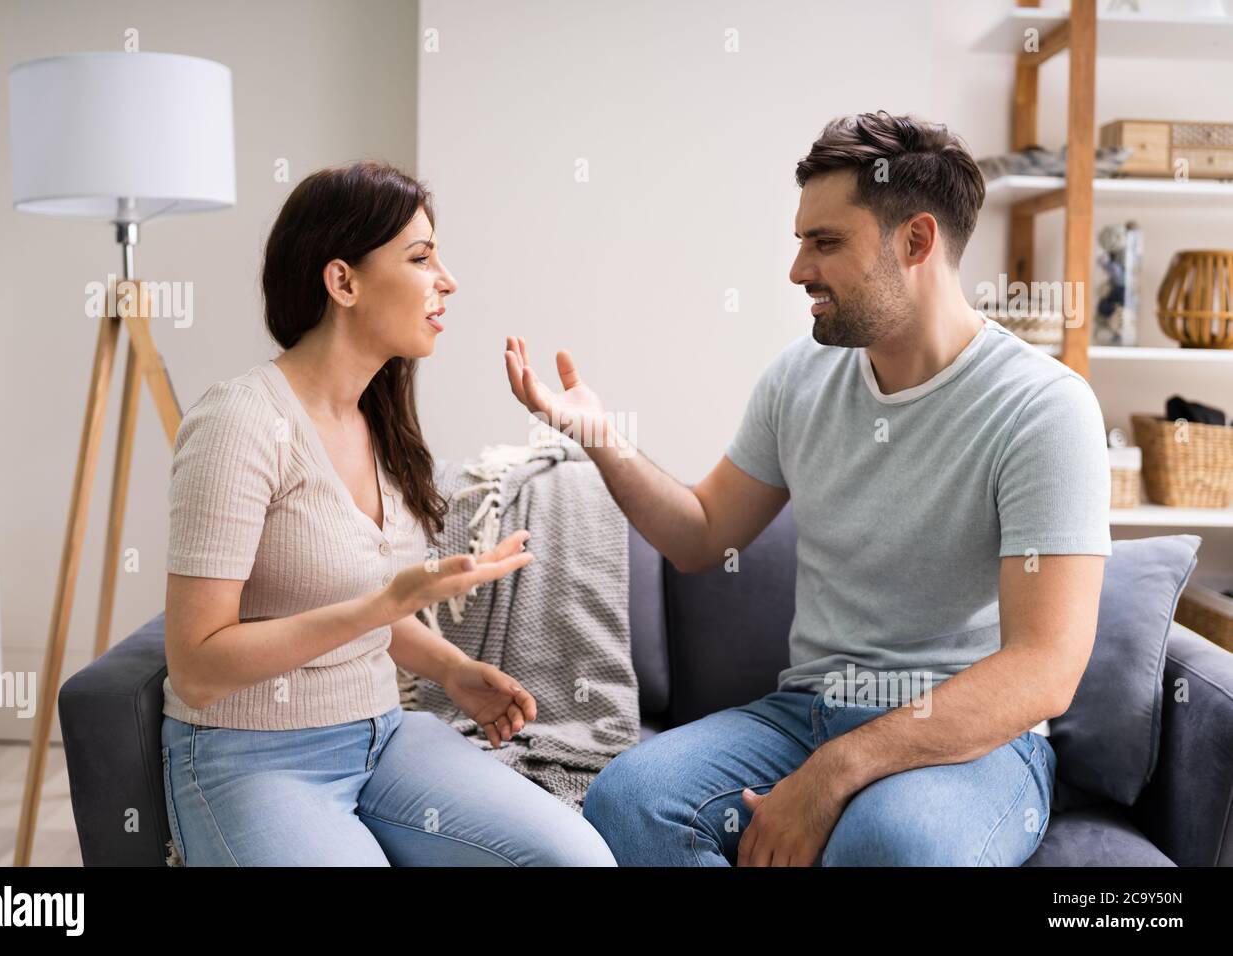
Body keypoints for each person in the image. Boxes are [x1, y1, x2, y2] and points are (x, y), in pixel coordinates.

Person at [504, 111, 1111, 866]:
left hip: (972, 742)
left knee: (888, 844)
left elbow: (1044, 668)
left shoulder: (1042, 408)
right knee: (628, 802)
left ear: (916, 242)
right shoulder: (801, 377)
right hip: (807, 714)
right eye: (801, 241)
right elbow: (700, 536)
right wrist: (601, 438)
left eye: (825, 243)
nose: (797, 270)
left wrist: (836, 772)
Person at [161, 160, 615, 866]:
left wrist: (454, 670)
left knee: (576, 860)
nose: (448, 280)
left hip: (383, 736)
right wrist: (385, 606)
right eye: (421, 257)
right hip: (252, 755)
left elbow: (366, 603)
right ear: (342, 281)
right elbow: (195, 667)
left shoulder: (379, 421)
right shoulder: (239, 422)